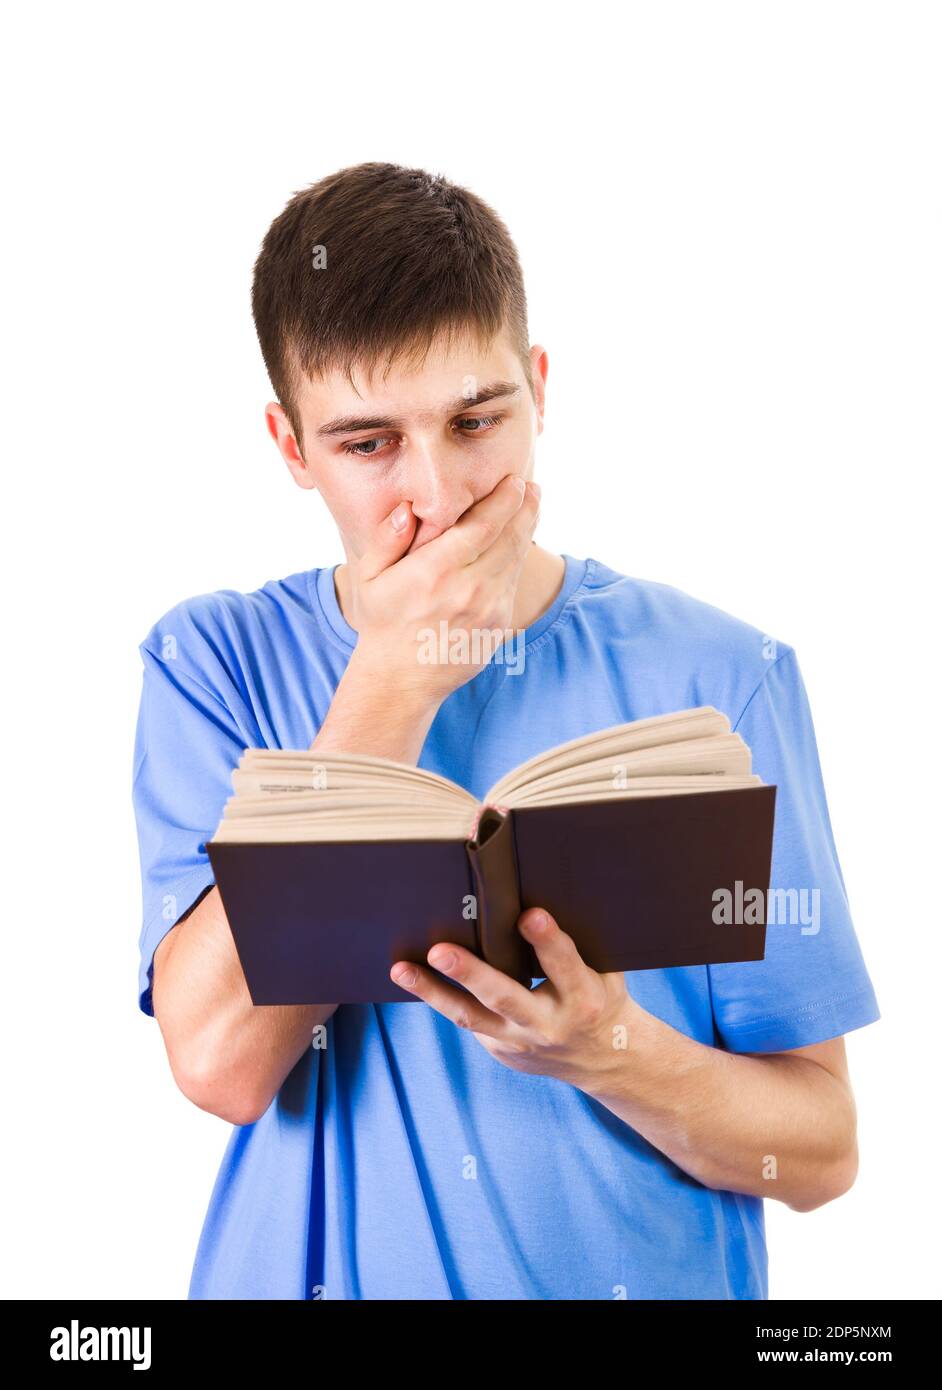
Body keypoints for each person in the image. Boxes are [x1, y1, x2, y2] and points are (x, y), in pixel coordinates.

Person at [131, 161, 880, 1300]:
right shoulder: (215, 663)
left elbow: (820, 1150)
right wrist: (392, 681)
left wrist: (612, 1051)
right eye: (368, 443)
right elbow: (222, 1063)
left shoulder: (722, 674)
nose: (437, 494)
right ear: (290, 448)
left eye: (477, 419)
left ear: (538, 389)